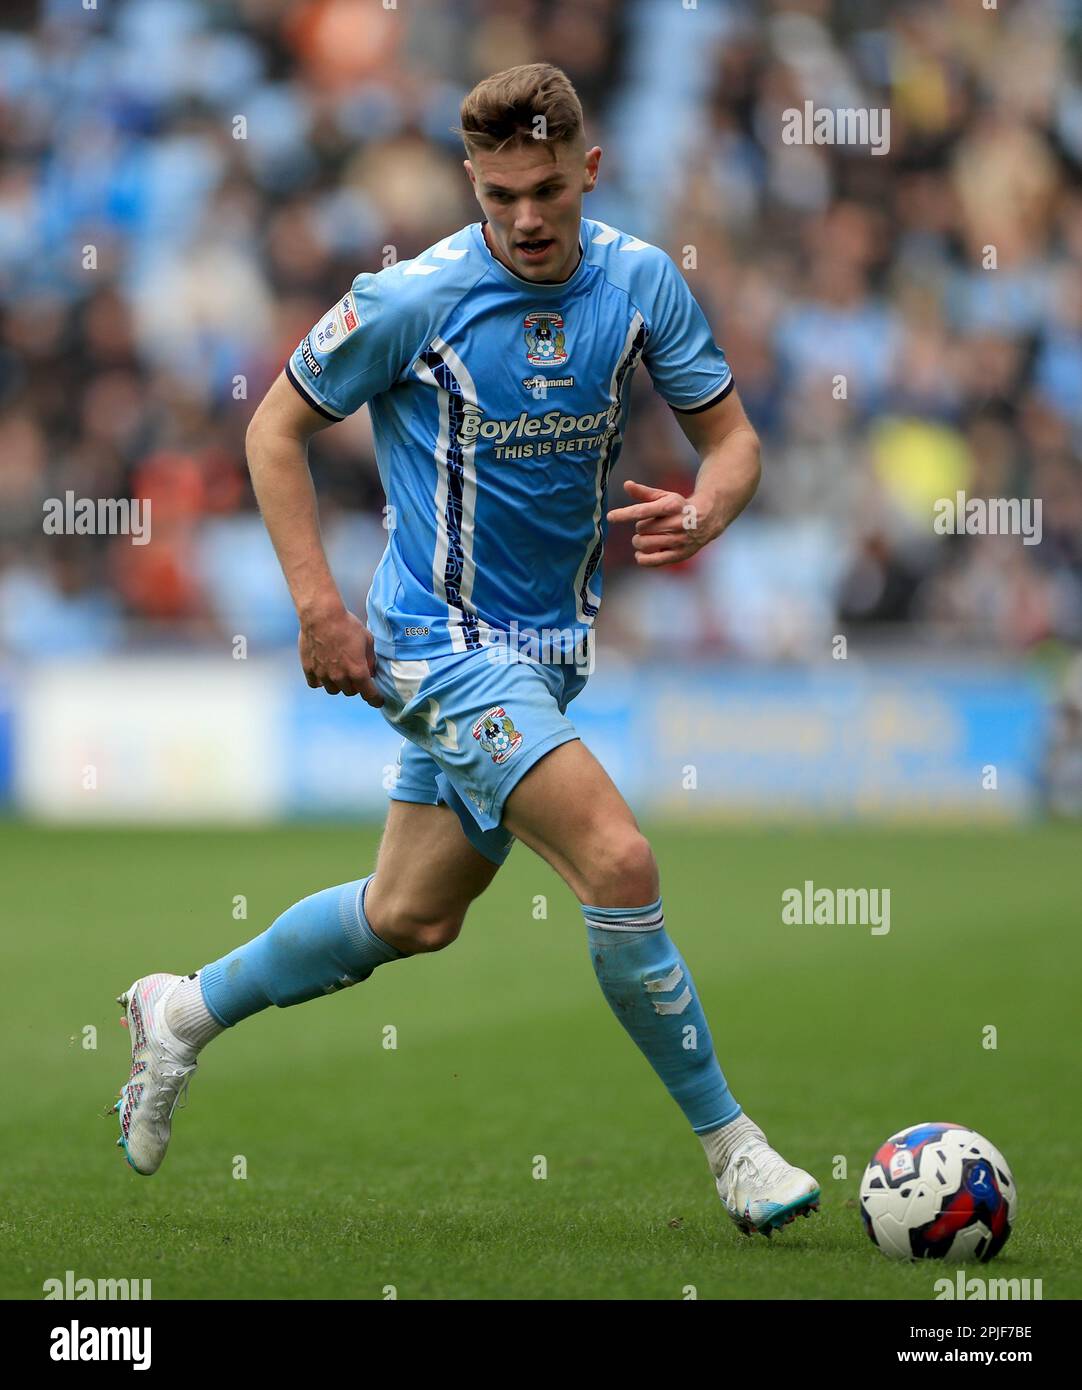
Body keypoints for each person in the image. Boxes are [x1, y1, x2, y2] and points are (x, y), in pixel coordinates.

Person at [112, 63, 819, 1239]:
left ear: (589, 168)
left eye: (546, 189)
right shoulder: (412, 298)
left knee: (408, 915)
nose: (526, 219)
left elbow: (733, 440)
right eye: (500, 196)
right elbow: (273, 427)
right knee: (619, 860)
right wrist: (315, 607)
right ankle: (734, 1151)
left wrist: (709, 507)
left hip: (549, 651)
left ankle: (181, 1010)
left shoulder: (642, 283)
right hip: (437, 646)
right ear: (469, 184)